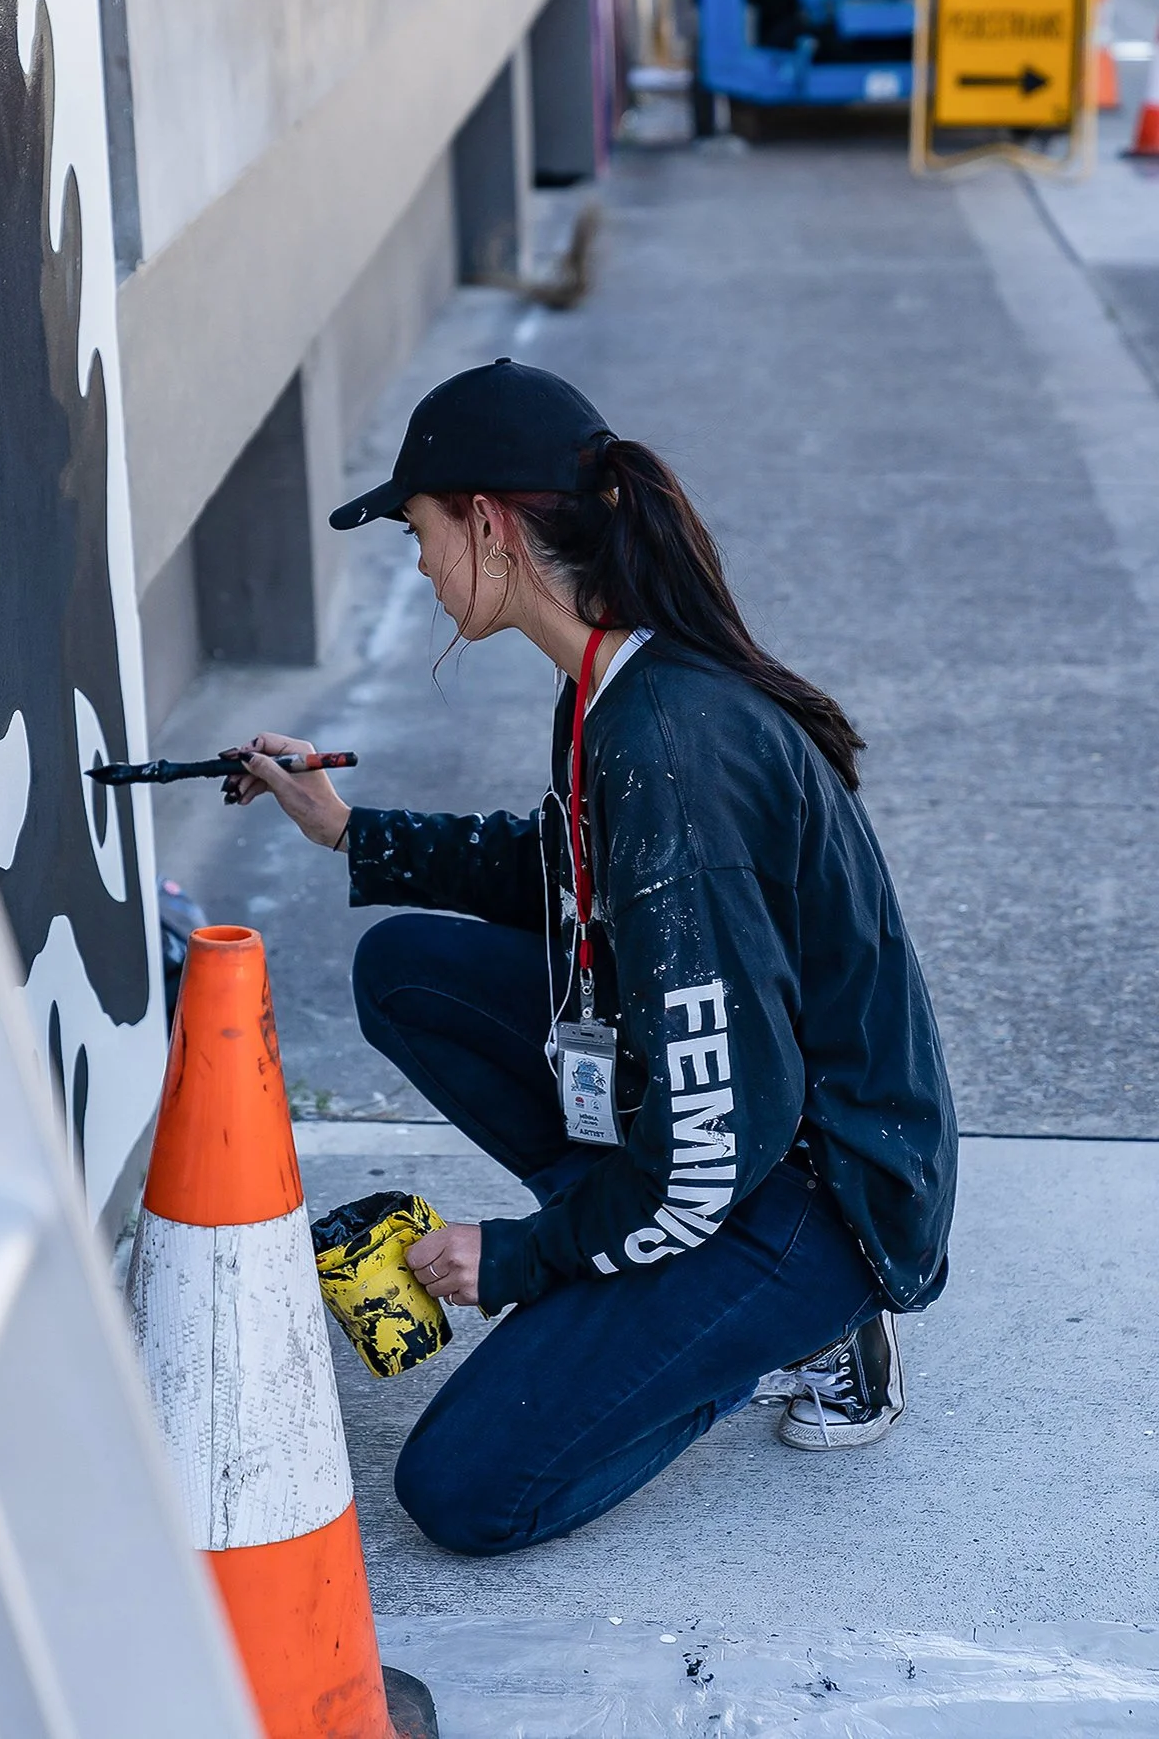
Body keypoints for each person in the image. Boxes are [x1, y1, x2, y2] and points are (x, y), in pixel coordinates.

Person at [226, 358, 957, 1556]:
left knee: (464, 1488)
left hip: (814, 1190)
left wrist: (518, 1258)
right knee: (405, 971)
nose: (419, 563)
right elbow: (565, 870)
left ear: (487, 523)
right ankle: (644, 1281)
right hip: (744, 1124)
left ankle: (788, 1327)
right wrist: (350, 828)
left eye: (417, 529)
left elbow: (715, 1140)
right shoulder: (617, 680)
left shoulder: (667, 748)